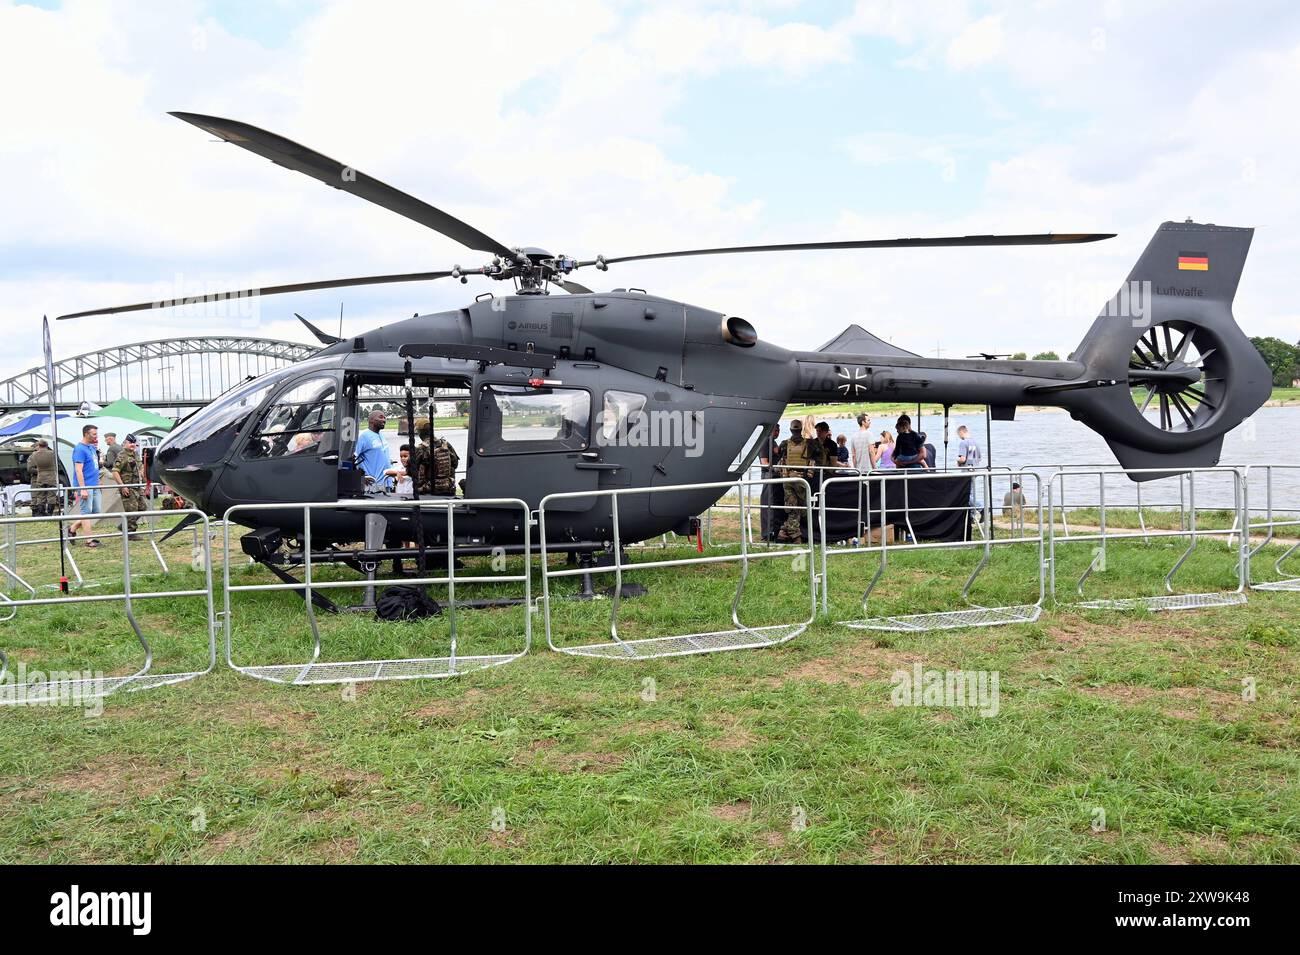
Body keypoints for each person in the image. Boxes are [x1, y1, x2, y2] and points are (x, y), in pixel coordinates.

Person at [774, 419, 823, 543]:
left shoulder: (784, 444)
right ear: (800, 430)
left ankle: (783, 531)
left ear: (791, 430)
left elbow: (779, 455)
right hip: (800, 480)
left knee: (797, 509)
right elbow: (819, 456)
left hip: (790, 479)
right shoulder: (810, 443)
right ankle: (796, 536)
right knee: (797, 508)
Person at [412, 418, 460, 496]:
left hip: (428, 490)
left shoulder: (421, 448)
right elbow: (455, 464)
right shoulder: (446, 444)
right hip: (448, 488)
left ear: (419, 432)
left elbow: (412, 469)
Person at [72, 423, 102, 546]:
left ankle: (72, 528)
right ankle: (89, 540)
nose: (96, 436)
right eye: (94, 434)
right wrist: (83, 488)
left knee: (96, 511)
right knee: (86, 513)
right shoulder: (79, 449)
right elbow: (78, 470)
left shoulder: (91, 448)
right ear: (86, 434)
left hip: (94, 485)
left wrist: (98, 480)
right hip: (86, 485)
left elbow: (94, 466)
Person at [111, 433, 144, 539]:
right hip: (128, 488)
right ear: (125, 443)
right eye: (130, 443)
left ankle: (124, 525)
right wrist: (122, 486)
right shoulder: (122, 455)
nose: (132, 445)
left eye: (134, 443)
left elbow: (140, 469)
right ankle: (130, 533)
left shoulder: (136, 455)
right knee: (132, 511)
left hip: (137, 487)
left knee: (143, 508)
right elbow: (115, 472)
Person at [354, 409, 390, 487]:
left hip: (386, 484)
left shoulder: (381, 435)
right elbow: (353, 459)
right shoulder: (363, 436)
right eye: (381, 417)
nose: (384, 420)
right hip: (373, 486)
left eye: (384, 417)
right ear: (371, 420)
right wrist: (361, 477)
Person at [758, 423, 780, 541]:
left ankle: (773, 531)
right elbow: (764, 462)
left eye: (778, 430)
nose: (776, 433)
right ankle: (767, 533)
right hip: (768, 475)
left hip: (775, 476)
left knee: (774, 505)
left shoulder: (774, 442)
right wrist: (776, 468)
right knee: (768, 504)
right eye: (775, 430)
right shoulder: (765, 441)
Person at [27, 439, 59, 517]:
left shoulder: (34, 455)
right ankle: (49, 513)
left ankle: (41, 513)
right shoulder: (52, 454)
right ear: (47, 445)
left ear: (39, 446)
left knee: (40, 496)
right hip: (51, 477)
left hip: (40, 477)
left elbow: (29, 468)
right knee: (51, 495)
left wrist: (40, 470)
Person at [956, 424, 984, 514]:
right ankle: (971, 515)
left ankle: (981, 507)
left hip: (967, 471)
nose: (959, 437)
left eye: (958, 435)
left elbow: (963, 459)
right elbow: (979, 458)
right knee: (970, 492)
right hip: (975, 470)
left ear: (961, 432)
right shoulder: (975, 442)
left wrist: (958, 461)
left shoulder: (963, 443)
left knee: (966, 494)